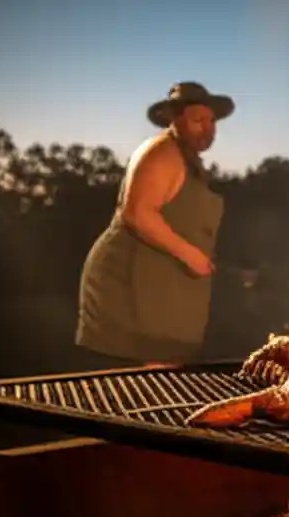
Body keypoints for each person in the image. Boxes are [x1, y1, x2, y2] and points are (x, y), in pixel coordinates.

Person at [76, 81, 233, 366]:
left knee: (167, 372)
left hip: (165, 285)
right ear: (174, 119)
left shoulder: (188, 161)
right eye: (198, 121)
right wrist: (192, 255)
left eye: (211, 121)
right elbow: (138, 213)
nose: (208, 129)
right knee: (146, 380)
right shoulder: (162, 152)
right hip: (130, 281)